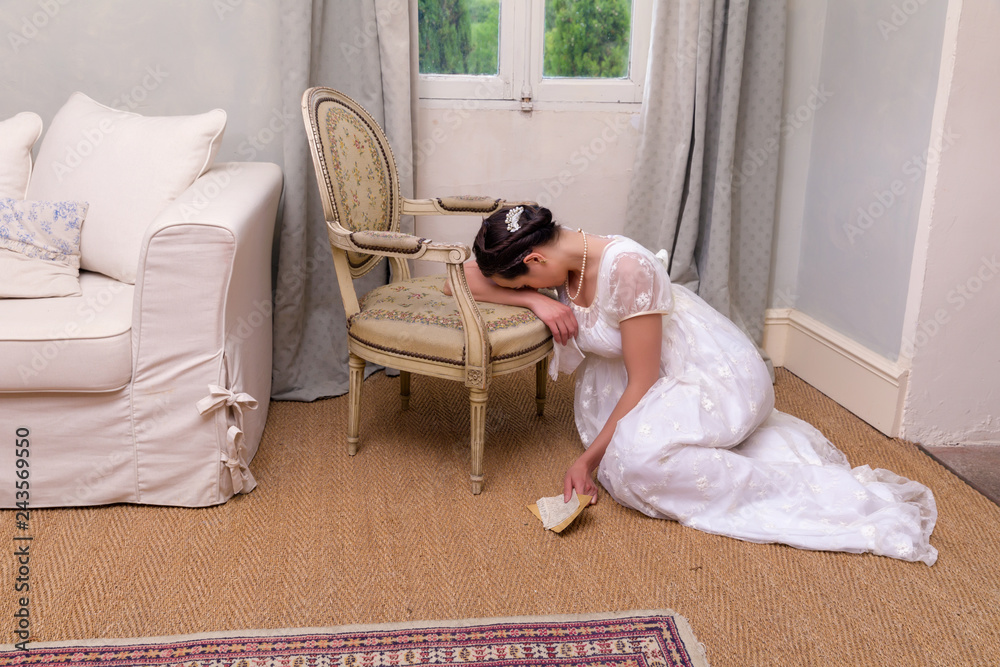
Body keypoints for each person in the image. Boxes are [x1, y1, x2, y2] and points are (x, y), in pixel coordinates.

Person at [456, 204, 938, 565]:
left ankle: (828, 495)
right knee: (626, 465)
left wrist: (587, 458)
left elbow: (644, 379)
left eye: (522, 284)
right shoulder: (554, 254)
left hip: (700, 372)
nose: (522, 292)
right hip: (640, 375)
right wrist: (539, 303)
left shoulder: (627, 267)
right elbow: (466, 275)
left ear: (536, 260)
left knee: (634, 465)